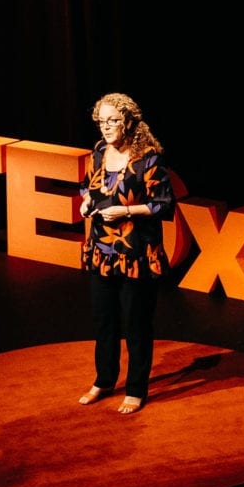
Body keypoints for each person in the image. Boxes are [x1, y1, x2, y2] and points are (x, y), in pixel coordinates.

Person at [76, 92, 176, 414]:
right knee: (104, 320)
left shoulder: (148, 159)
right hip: (103, 248)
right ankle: (104, 379)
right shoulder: (99, 152)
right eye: (101, 121)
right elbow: (89, 185)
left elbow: (163, 204)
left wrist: (126, 211)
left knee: (136, 323)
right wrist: (87, 201)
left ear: (129, 121)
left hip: (136, 253)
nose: (105, 127)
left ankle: (135, 388)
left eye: (112, 120)